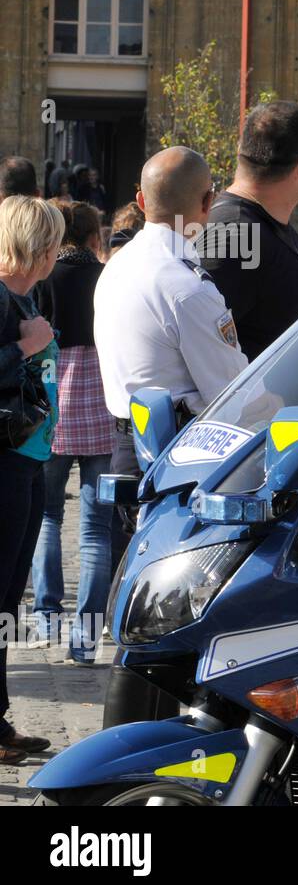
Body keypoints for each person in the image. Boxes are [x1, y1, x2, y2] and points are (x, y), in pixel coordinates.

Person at [95, 147, 249, 485]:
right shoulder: (187, 286)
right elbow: (230, 392)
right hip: (178, 453)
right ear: (208, 201)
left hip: (125, 445)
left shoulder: (115, 266)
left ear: (141, 200)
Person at [30, 203, 115, 663]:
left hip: (52, 411)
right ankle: (84, 642)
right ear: (93, 235)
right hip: (100, 410)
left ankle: (45, 618)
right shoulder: (107, 279)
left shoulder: (45, 279)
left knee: (47, 518)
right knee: (96, 530)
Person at [0, 195, 64, 762]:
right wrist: (27, 344)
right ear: (39, 246)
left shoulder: (26, 294)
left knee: (7, 598)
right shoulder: (5, 297)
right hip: (5, 461)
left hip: (25, 458)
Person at [195, 101, 298, 361]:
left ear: (239, 150)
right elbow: (200, 347)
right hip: (257, 402)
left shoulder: (256, 224)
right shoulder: (234, 233)